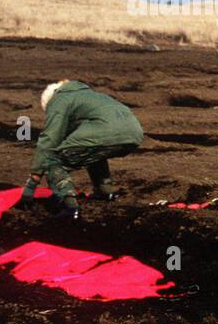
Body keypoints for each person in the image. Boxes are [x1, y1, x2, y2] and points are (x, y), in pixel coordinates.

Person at [20, 80, 144, 220]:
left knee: (53, 160)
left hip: (106, 131)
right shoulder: (91, 95)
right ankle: (105, 191)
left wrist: (32, 184)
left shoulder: (59, 99)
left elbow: (49, 139)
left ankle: (70, 207)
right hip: (134, 134)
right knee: (91, 151)